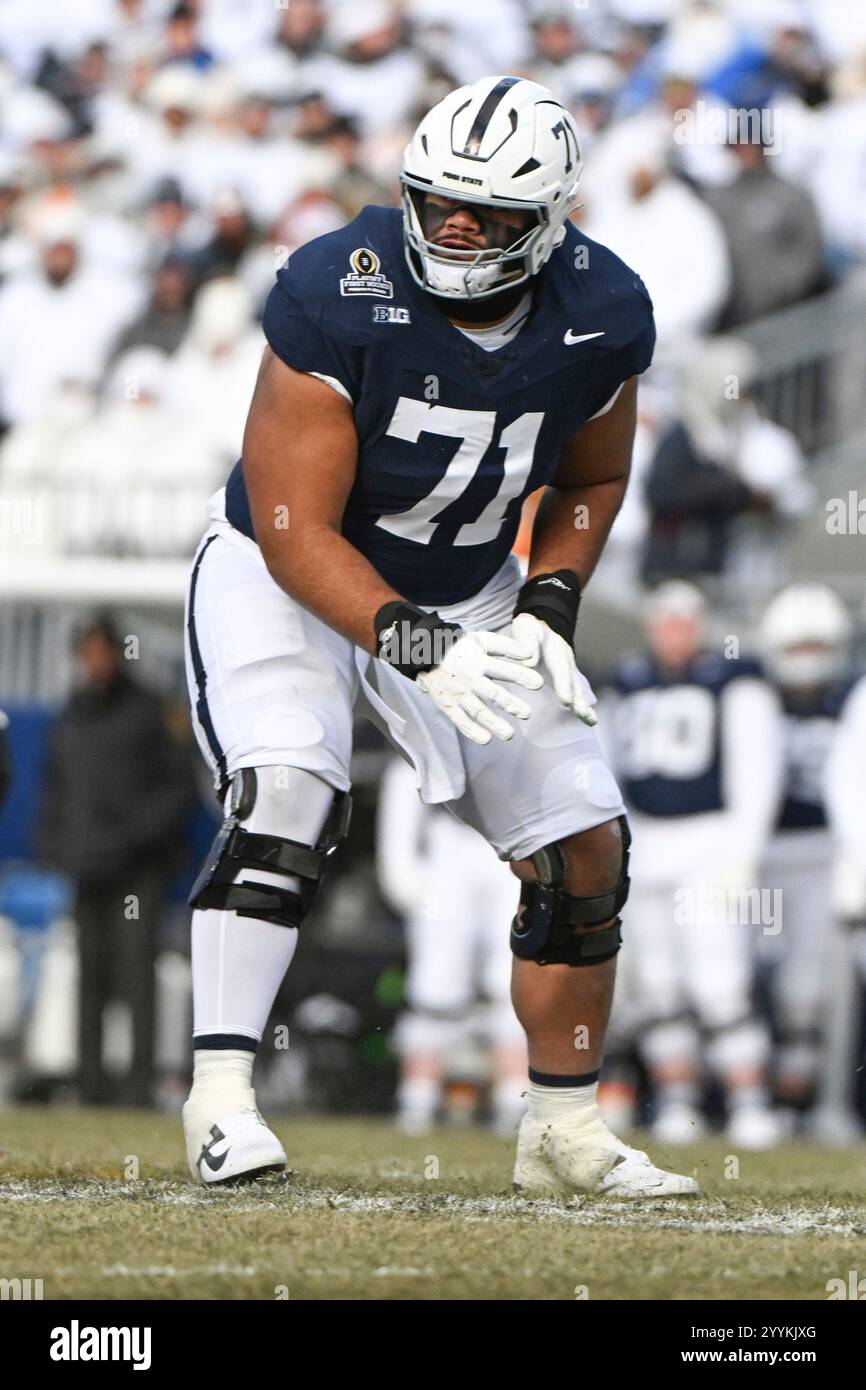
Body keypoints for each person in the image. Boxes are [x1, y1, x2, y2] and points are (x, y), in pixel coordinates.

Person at [181, 75, 696, 1197]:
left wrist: (549, 601)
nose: (455, 226)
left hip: (467, 587)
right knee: (287, 792)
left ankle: (560, 1126)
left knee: (583, 846)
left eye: (488, 211)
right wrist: (419, 647)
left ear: (549, 219)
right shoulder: (339, 286)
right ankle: (220, 1098)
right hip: (288, 575)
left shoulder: (603, 308)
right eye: (437, 200)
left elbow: (592, 477)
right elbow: (294, 529)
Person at [602, 582, 784, 1148]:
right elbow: (606, 768)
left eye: (685, 620)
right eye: (667, 620)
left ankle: (750, 1104)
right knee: (658, 984)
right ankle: (678, 1102)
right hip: (647, 841)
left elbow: (758, 768)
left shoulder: (734, 680)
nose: (676, 631)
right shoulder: (626, 682)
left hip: (710, 840)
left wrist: (744, 851)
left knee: (720, 982)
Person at [37, 618, 196, 1106]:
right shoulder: (73, 712)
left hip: (136, 871)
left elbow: (177, 791)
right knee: (90, 976)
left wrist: (129, 840)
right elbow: (57, 789)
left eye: (101, 651)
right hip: (86, 869)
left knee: (136, 974)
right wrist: (56, 845)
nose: (94, 662)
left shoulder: (150, 711)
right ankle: (90, 1086)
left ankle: (137, 1089)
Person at [377, 756, 527, 1134]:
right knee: (436, 984)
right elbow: (405, 774)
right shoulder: (424, 744)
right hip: (447, 847)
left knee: (511, 980)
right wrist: (403, 872)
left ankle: (516, 1097)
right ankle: (418, 1098)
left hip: (513, 844)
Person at [757, 584, 854, 1130]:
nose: (808, 659)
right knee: (731, 976)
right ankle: (734, 1101)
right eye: (798, 648)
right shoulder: (752, 696)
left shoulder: (850, 704)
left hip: (823, 850)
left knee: (808, 988)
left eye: (817, 647)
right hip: (759, 851)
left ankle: (797, 1107)